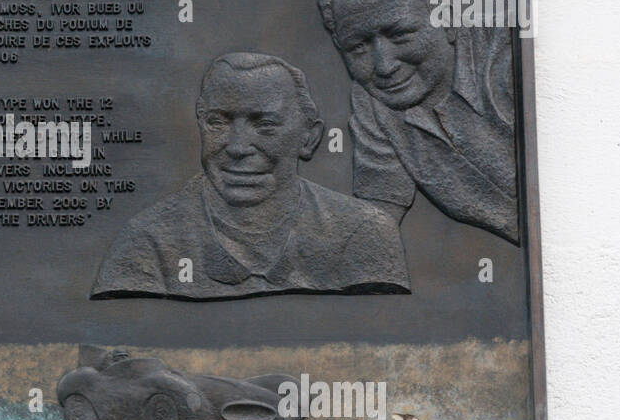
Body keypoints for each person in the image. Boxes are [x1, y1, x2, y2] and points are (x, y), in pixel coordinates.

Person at [91, 52, 409, 299]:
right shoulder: (147, 241)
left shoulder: (364, 233)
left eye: (265, 125)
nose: (238, 147)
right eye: (218, 122)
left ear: (309, 138)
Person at [316, 0, 520, 244]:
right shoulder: (373, 102)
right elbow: (377, 224)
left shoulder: (508, 56)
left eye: (400, 35)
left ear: (447, 21)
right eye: (358, 47)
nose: (384, 66)